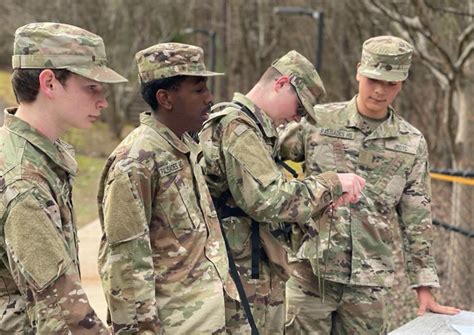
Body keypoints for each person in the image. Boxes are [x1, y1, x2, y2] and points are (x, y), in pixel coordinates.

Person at [280, 36, 461, 334]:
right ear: (359, 71)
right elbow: (265, 162)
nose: (379, 90)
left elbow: (417, 218)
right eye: (373, 79)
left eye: (390, 83)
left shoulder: (410, 143)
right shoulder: (317, 122)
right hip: (310, 273)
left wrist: (424, 287)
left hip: (367, 284)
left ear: (401, 83)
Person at [199, 50, 365, 334]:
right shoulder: (239, 129)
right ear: (281, 83)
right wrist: (331, 182)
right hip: (241, 278)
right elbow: (268, 199)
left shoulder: (257, 131)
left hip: (253, 270)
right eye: (299, 108)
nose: (295, 118)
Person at [97, 42, 239, 334]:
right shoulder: (137, 160)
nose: (209, 98)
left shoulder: (184, 146)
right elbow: (125, 265)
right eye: (198, 90)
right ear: (165, 98)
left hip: (207, 319)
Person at [0, 22, 127, 333]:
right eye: (91, 87)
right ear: (50, 83)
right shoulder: (23, 178)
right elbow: (61, 308)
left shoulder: (36, 155)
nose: (103, 101)